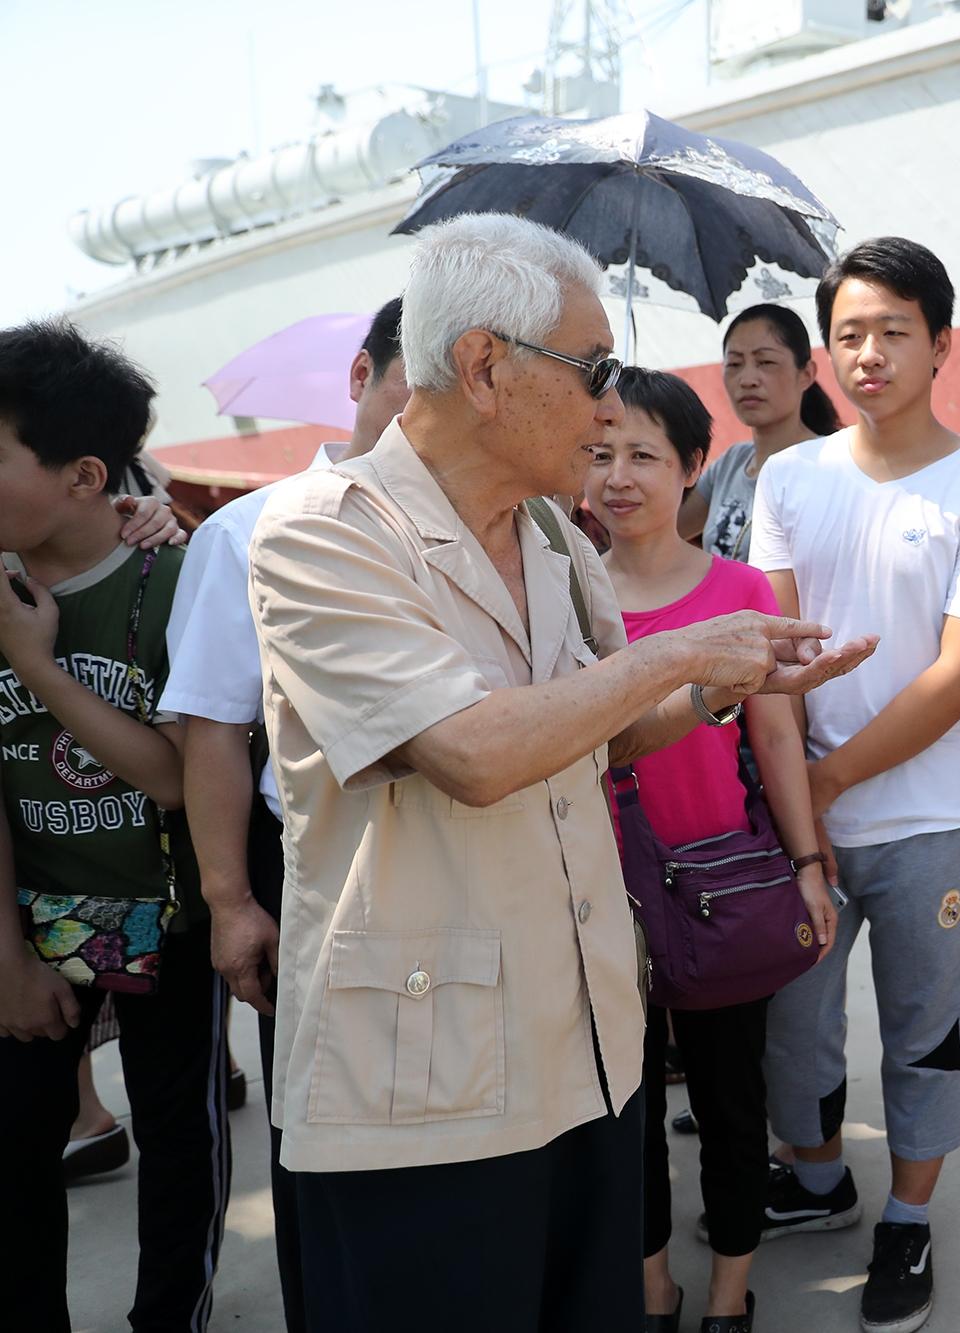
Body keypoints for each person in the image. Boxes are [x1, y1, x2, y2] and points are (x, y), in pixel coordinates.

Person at [243, 213, 871, 1332]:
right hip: (424, 1087)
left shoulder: (549, 539)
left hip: (584, 1047)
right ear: (485, 367)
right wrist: (679, 650)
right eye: (591, 371)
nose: (604, 407)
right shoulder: (322, 534)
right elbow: (475, 753)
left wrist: (730, 684)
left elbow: (596, 735)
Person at [751, 236, 960, 1333]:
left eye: (891, 331)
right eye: (848, 333)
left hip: (925, 819)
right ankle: (815, 1177)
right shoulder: (788, 477)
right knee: (793, 1025)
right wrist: (798, 798)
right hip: (799, 819)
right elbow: (771, 650)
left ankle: (907, 1222)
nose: (866, 353)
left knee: (924, 1031)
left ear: (939, 344)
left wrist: (820, 779)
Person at [161, 294, 409, 1332]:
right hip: (310, 859)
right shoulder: (247, 533)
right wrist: (229, 900)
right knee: (323, 1121)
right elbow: (211, 726)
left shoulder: (501, 532)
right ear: (361, 379)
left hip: (463, 862)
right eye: (416, 389)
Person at [588, 365, 845, 1333]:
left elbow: (777, 739)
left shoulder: (737, 590)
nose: (617, 475)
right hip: (596, 897)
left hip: (719, 893)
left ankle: (730, 1293)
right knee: (627, 1113)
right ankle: (652, 1285)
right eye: (599, 451)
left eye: (643, 454)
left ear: (694, 467)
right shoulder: (567, 596)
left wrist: (808, 867)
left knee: (733, 1104)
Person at [0, 320, 227, 1333]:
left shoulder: (176, 579)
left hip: (169, 922)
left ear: (87, 475)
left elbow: (180, 778)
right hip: (29, 921)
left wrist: (39, 667)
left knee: (181, 1142)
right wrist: (9, 958)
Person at [680, 303, 842, 559]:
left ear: (806, 374)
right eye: (734, 364)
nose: (747, 379)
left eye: (765, 362)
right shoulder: (731, 463)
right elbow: (666, 532)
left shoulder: (830, 464)